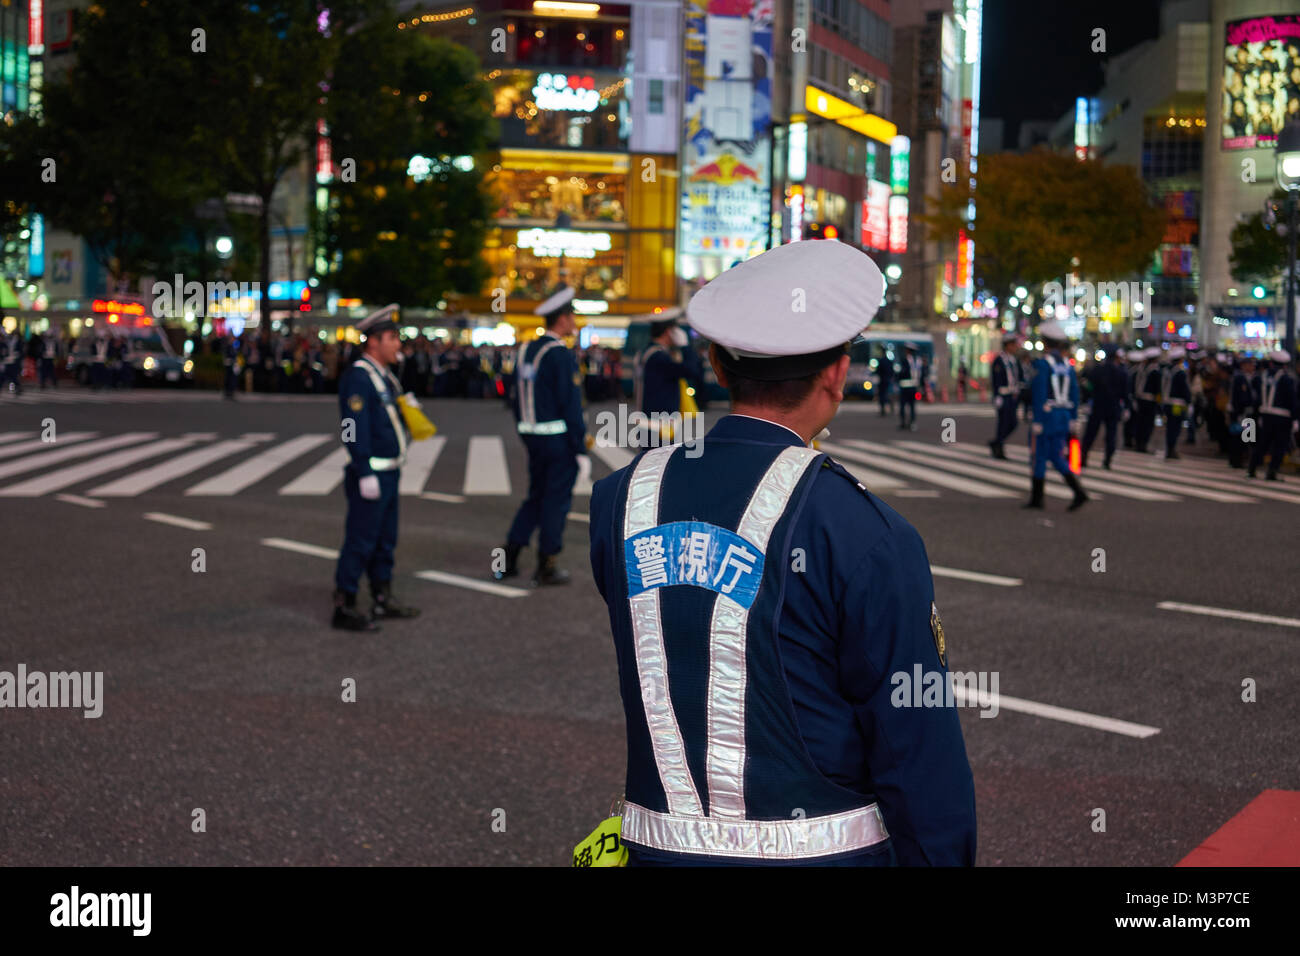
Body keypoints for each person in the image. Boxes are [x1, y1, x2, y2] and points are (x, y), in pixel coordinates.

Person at [589, 240, 977, 866]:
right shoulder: (865, 529)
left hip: (655, 850)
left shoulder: (621, 499)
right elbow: (918, 751)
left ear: (716, 364)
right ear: (836, 372)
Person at [332, 304, 421, 631]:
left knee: (385, 539)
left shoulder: (382, 375)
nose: (398, 344)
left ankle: (382, 597)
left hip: (389, 470)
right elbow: (351, 427)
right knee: (361, 539)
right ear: (373, 342)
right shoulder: (359, 377)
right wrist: (364, 470)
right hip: (371, 473)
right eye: (392, 338)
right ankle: (345, 603)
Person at [494, 285, 589, 586]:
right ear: (561, 319)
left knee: (535, 497)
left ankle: (509, 555)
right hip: (558, 440)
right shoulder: (560, 354)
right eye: (572, 314)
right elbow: (570, 405)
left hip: (532, 435)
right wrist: (580, 449)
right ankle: (546, 564)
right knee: (555, 502)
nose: (574, 320)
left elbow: (513, 394)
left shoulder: (526, 349)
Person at [1025, 321, 1087, 510]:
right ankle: (1078, 491)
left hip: (1047, 416)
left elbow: (1040, 394)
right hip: (1063, 416)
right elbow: (1075, 395)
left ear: (1045, 342)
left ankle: (1038, 498)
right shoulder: (1068, 367)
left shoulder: (1043, 365)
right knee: (1057, 455)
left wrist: (1037, 420)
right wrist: (1073, 418)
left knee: (1039, 455)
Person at [633, 309, 700, 445]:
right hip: (658, 427)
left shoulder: (648, 352)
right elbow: (692, 370)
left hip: (652, 424)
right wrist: (685, 346)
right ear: (669, 331)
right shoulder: (658, 357)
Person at [1248, 350, 1297, 481]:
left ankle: (1252, 468)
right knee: (1280, 446)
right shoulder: (1287, 379)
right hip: (1283, 417)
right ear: (1285, 365)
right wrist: (1295, 419)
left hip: (1265, 416)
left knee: (1263, 443)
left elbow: (1256, 399)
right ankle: (1272, 471)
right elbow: (1292, 400)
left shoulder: (1262, 377)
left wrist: (1256, 415)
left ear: (1271, 363)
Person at [1081, 346, 1127, 470]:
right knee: (1111, 434)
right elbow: (1125, 392)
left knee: (1091, 432)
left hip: (1098, 405)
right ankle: (1107, 460)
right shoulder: (1121, 372)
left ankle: (1084, 456)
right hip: (1113, 407)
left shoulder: (1098, 369)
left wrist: (1089, 397)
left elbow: (1088, 385)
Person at [987, 331, 1022, 459]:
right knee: (1003, 423)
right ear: (1007, 345)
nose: (1015, 347)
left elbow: (1019, 377)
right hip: (1003, 396)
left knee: (1013, 423)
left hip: (1013, 396)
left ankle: (997, 442)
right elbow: (996, 379)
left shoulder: (1015, 360)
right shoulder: (999, 360)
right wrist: (997, 396)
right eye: (1013, 345)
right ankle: (999, 448)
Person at [1226, 354, 1259, 469]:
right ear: (1243, 366)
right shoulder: (1239, 378)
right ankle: (1236, 460)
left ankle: (1240, 459)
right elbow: (1238, 397)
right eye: (1249, 365)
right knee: (1239, 437)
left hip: (1248, 412)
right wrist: (1237, 412)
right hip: (1241, 412)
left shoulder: (1252, 378)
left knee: (1247, 437)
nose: (1252, 367)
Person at [1133, 348, 1162, 453]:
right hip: (1150, 400)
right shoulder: (1155, 371)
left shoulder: (1142, 368)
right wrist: (1159, 401)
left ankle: (1138, 443)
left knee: (1140, 422)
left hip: (1140, 399)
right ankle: (1143, 444)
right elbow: (1158, 388)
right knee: (1148, 424)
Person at [897, 344, 925, 431]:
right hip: (914, 387)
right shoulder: (918, 361)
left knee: (903, 405)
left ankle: (903, 422)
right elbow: (922, 375)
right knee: (912, 406)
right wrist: (921, 387)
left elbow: (901, 373)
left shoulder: (905, 360)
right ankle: (912, 423)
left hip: (905, 387)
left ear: (908, 351)